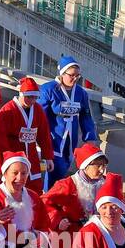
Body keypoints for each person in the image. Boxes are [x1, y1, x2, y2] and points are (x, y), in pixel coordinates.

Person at [38, 56, 98, 184]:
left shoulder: (81, 93)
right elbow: (39, 115)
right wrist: (40, 138)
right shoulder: (48, 90)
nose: (75, 79)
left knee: (65, 165)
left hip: (71, 140)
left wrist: (90, 138)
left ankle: (52, 195)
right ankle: (50, 196)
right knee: (55, 168)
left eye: (77, 76)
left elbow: (86, 116)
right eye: (71, 75)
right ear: (62, 73)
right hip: (53, 138)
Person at [0, 77, 55, 193]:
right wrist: (7, 158)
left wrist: (48, 156)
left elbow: (44, 134)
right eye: (29, 97)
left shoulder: (38, 110)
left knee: (34, 186)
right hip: (11, 152)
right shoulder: (8, 110)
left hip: (31, 154)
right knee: (4, 186)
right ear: (21, 94)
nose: (32, 101)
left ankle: (33, 209)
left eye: (35, 97)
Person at [41, 143, 110, 232]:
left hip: (99, 231)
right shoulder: (67, 185)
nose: (102, 170)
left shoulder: (106, 182)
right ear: (85, 166)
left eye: (104, 165)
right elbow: (44, 203)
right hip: (72, 233)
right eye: (98, 166)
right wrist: (59, 220)